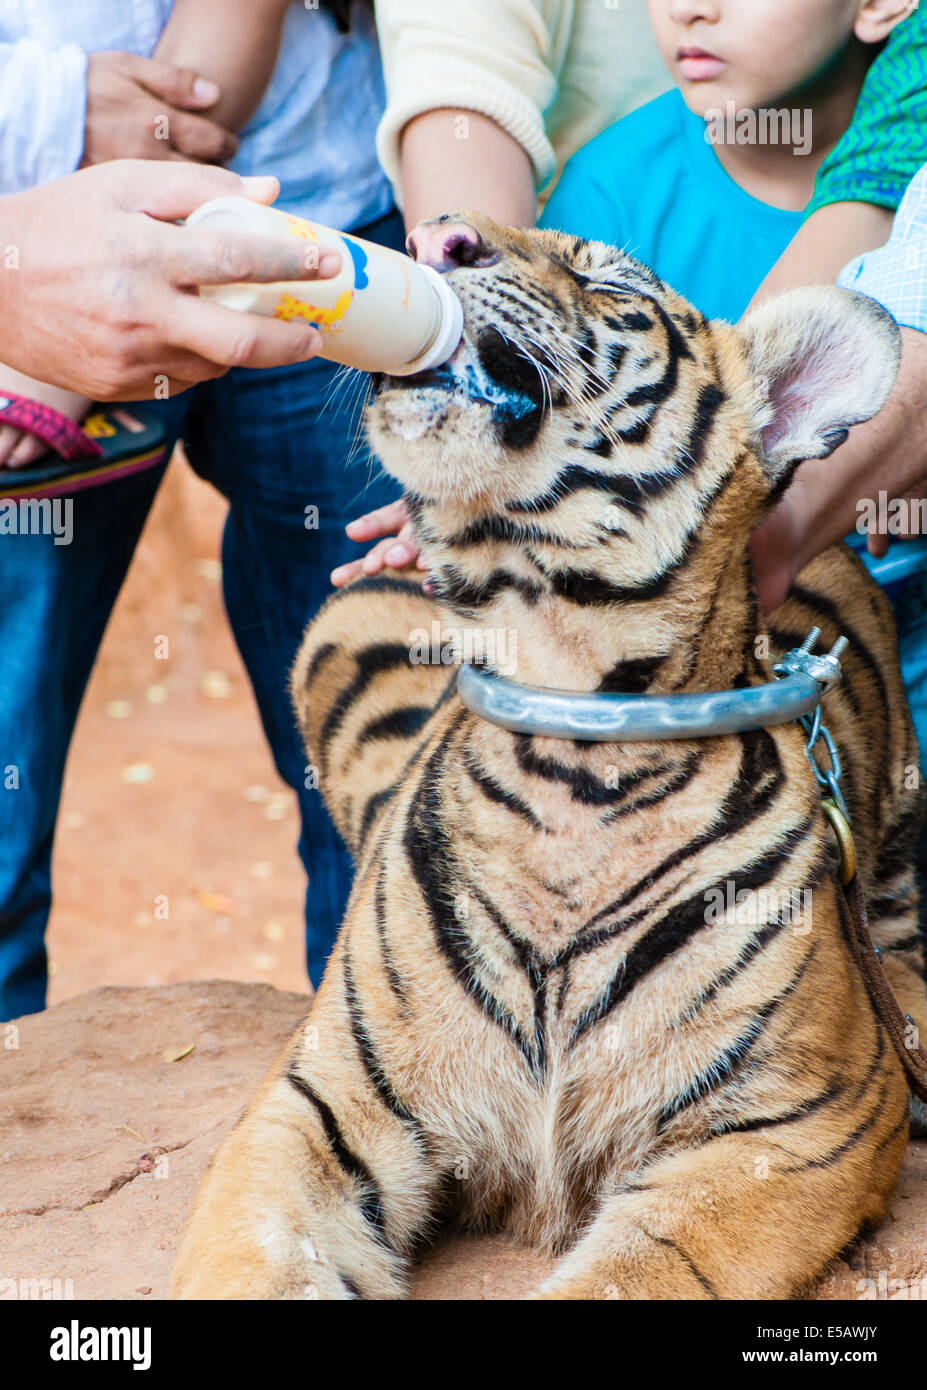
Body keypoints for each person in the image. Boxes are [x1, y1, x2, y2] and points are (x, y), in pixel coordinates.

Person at [0, 0, 406, 1020]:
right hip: (32, 292)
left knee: (381, 785)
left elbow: (201, 103)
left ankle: (388, 1121)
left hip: (320, 233)